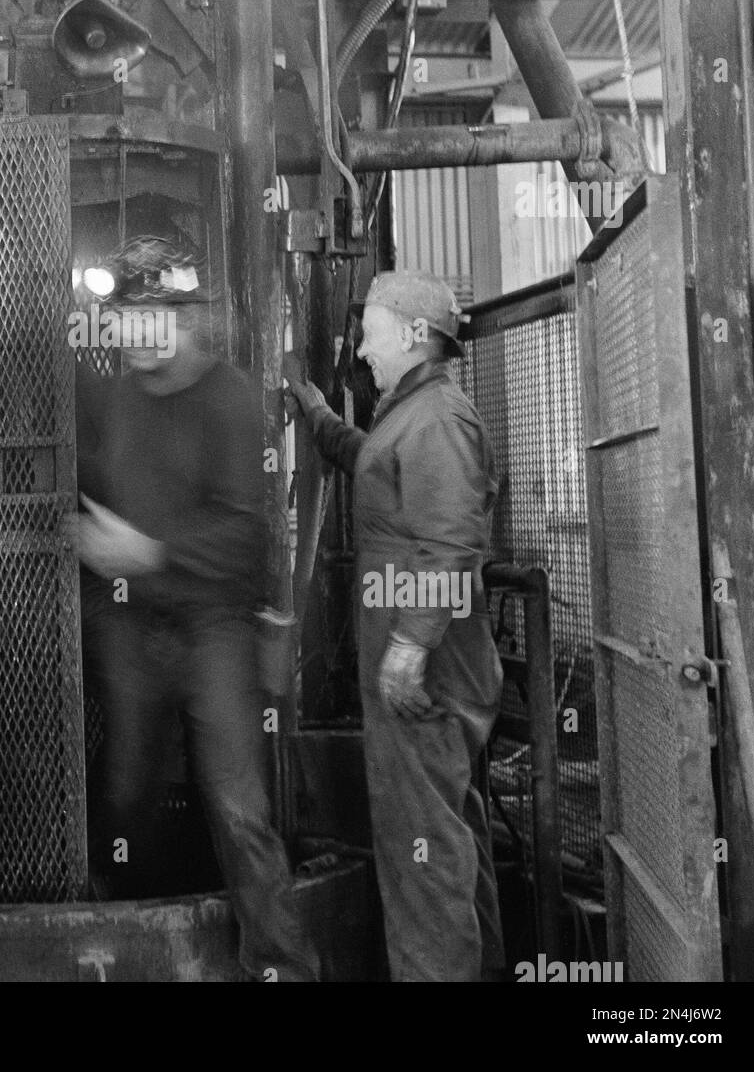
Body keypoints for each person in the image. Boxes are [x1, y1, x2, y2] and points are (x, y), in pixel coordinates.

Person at [74, 235, 318, 982]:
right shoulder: (111, 399)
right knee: (125, 790)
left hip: (214, 626)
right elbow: (85, 490)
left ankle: (282, 964)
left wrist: (146, 551)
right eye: (120, 320)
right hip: (129, 625)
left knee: (239, 803)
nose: (130, 336)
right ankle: (132, 951)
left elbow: (248, 535)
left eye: (148, 319)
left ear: (181, 320)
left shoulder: (229, 397)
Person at [284, 270, 504, 982]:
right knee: (449, 829)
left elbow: (449, 540)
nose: (363, 348)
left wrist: (409, 646)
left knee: (421, 843)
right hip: (429, 663)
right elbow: (375, 467)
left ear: (414, 334)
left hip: (427, 671)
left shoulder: (438, 418)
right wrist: (320, 419)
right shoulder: (408, 413)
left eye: (372, 331)